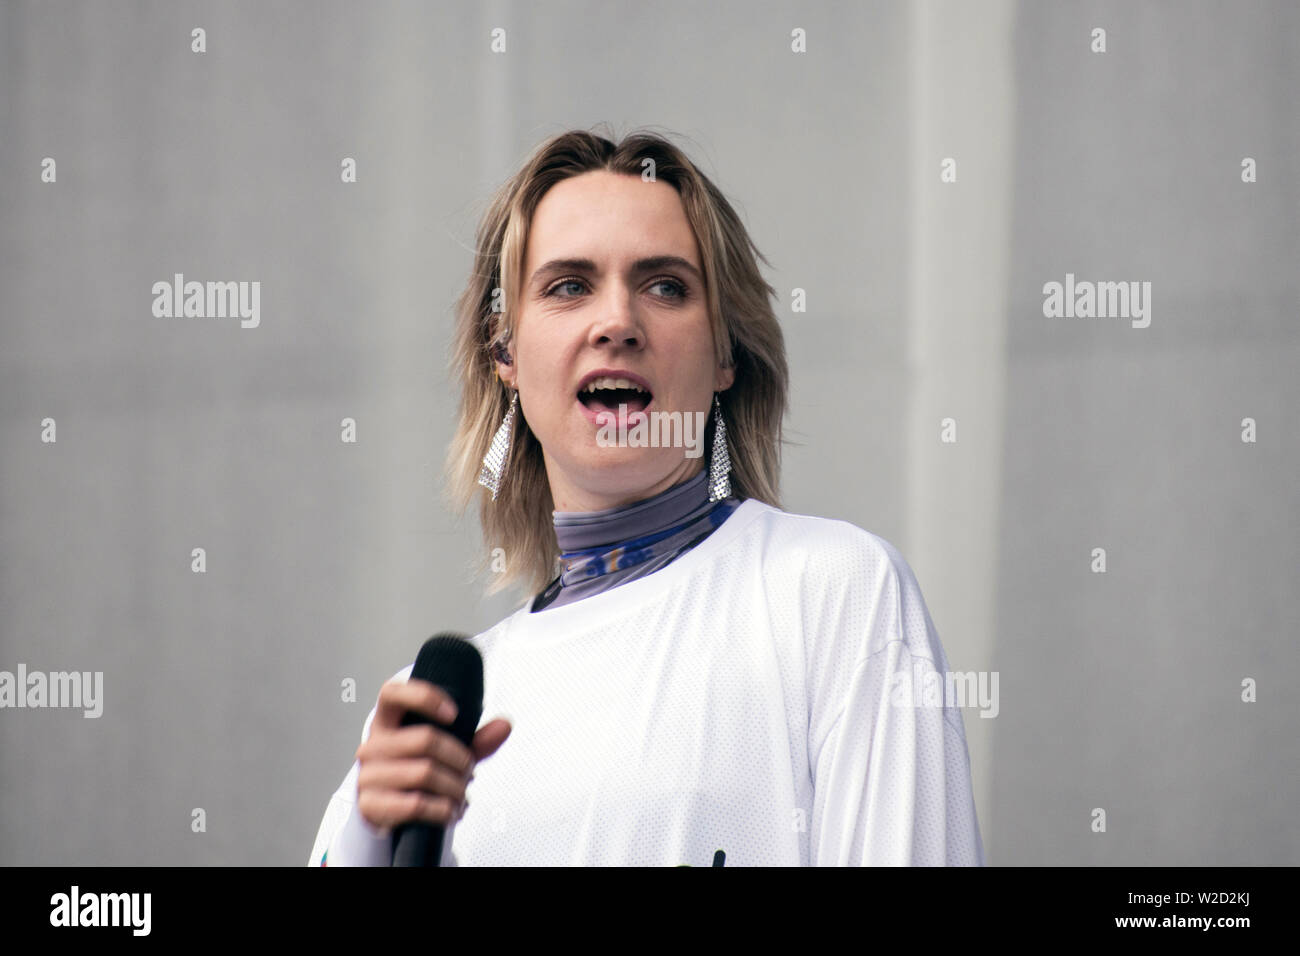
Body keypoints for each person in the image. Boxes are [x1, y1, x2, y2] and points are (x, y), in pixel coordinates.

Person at [307, 126, 986, 866]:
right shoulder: (425, 719)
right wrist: (367, 842)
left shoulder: (835, 594)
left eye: (666, 286)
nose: (618, 323)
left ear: (726, 351)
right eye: (568, 286)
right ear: (504, 351)